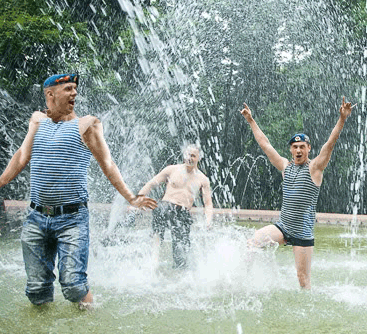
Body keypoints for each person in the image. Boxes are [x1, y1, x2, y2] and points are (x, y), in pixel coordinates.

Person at [0, 73, 156, 308]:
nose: (74, 93)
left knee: (74, 285)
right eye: (68, 88)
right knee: (36, 290)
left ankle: (88, 331)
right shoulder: (36, 121)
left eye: (75, 88)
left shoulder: (87, 125)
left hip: (72, 220)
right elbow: (21, 156)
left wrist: (131, 198)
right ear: (50, 94)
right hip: (36, 218)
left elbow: (108, 165)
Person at [240, 97, 353, 289]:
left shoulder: (315, 168)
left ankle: (308, 310)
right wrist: (251, 120)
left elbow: (330, 144)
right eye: (295, 147)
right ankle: (243, 284)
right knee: (252, 244)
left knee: (303, 279)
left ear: (309, 149)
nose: (299, 150)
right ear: (291, 149)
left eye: (302, 147)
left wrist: (342, 119)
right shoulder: (285, 166)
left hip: (302, 233)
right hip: (283, 227)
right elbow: (265, 145)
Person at [137, 144, 213, 269]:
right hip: (166, 206)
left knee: (181, 256)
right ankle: (153, 260)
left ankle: (178, 271)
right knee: (159, 218)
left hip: (182, 213)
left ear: (199, 158)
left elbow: (208, 204)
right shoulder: (172, 169)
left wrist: (208, 221)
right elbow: (151, 184)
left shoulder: (202, 179)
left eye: (193, 156)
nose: (189, 158)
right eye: (188, 155)